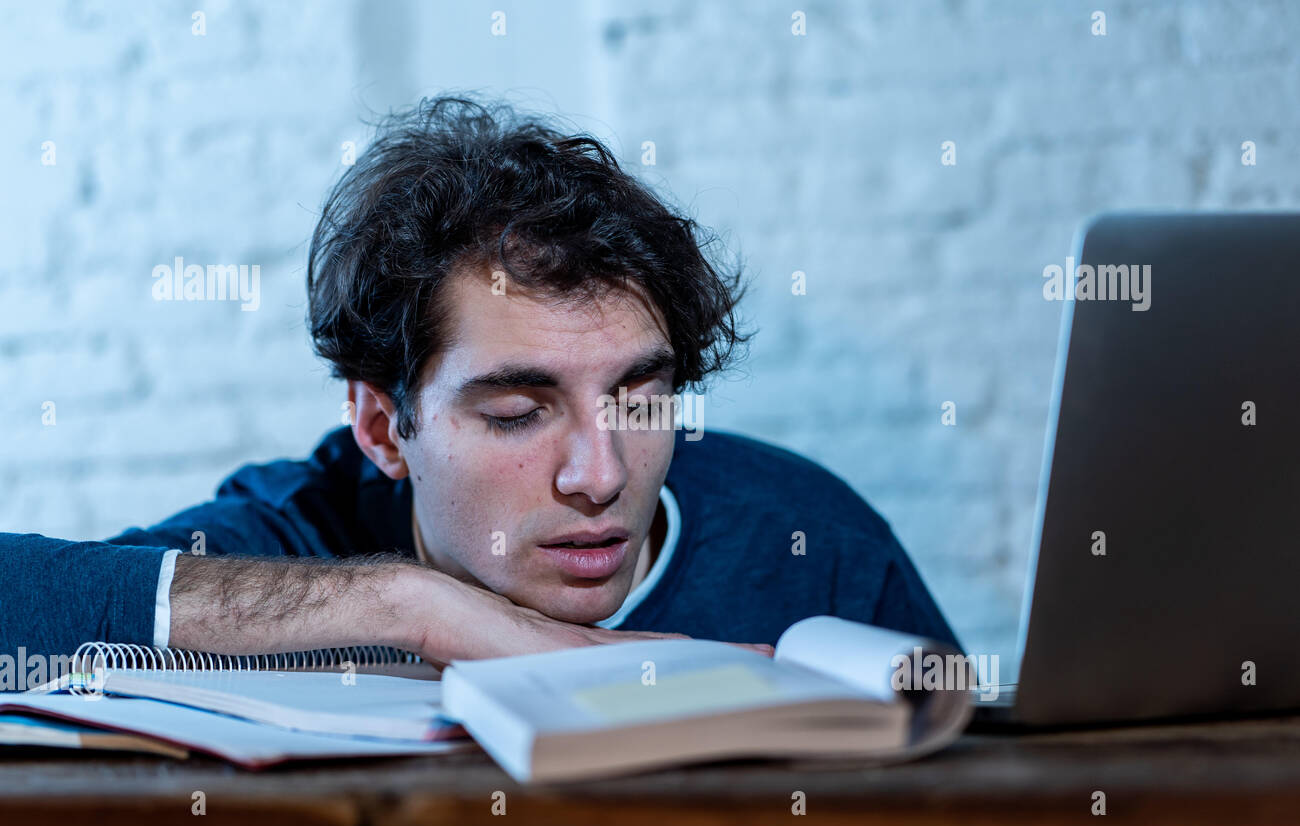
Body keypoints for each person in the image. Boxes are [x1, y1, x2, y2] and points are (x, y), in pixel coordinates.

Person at [0, 96, 962, 670]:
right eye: (516, 413)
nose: (601, 474)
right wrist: (409, 609)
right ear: (384, 427)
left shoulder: (811, 543)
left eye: (639, 398)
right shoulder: (295, 536)